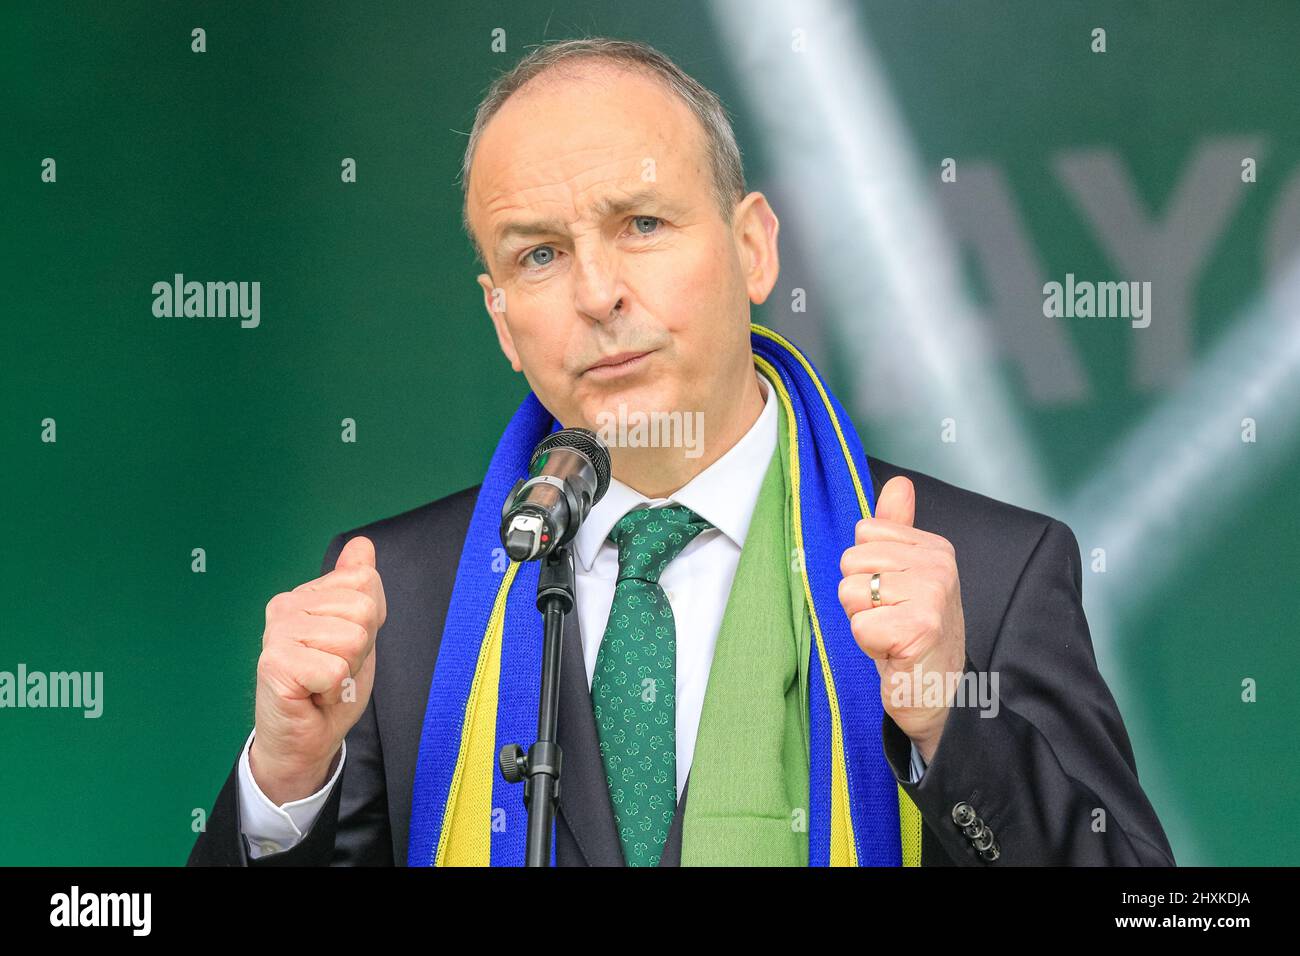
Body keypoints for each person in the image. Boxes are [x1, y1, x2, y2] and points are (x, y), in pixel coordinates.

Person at [188, 37, 1174, 867]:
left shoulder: (981, 575)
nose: (598, 294)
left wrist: (952, 720)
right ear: (501, 319)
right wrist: (287, 784)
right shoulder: (397, 598)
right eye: (539, 254)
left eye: (643, 224)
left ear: (754, 248)